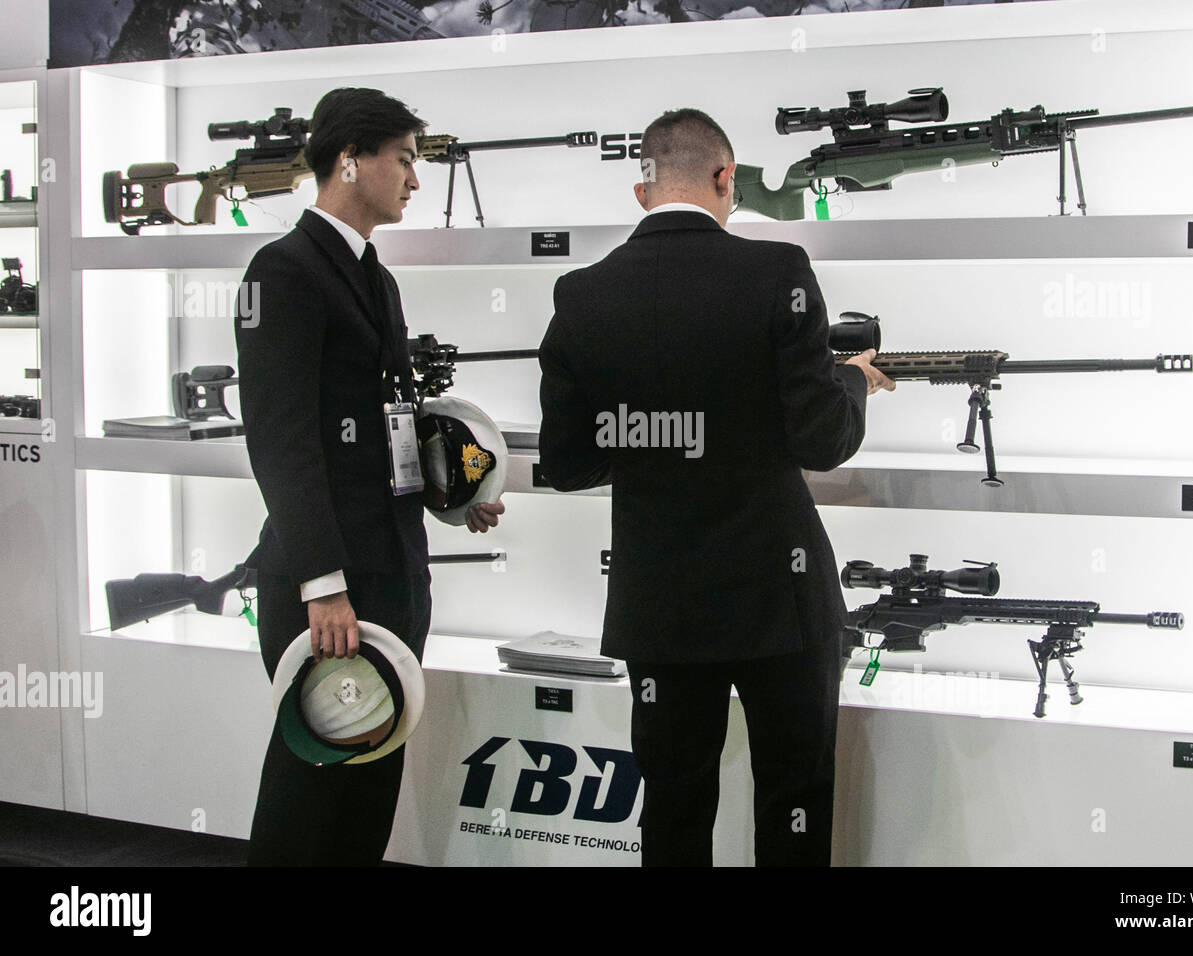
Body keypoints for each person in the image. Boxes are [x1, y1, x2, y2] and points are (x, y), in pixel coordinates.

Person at [538, 108, 894, 866]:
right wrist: (850, 381)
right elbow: (821, 440)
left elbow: (567, 463)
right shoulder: (777, 273)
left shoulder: (582, 294)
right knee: (792, 803)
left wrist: (647, 439)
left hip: (661, 600)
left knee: (673, 808)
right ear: (726, 177)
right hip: (780, 595)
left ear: (644, 190)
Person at [234, 87, 504, 866]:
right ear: (350, 159)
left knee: (369, 786)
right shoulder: (281, 271)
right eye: (407, 160)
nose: (417, 180)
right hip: (328, 585)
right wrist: (322, 583)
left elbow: (386, 420)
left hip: (391, 571)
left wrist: (458, 495)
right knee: (310, 786)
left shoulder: (374, 276)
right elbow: (281, 442)